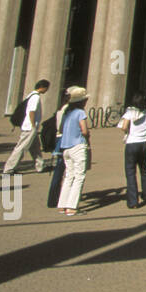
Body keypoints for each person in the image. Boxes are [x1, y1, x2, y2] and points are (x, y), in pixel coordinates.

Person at [56, 86, 92, 217]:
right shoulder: (80, 113)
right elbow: (84, 130)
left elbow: (61, 128)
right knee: (79, 176)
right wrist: (87, 137)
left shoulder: (67, 112)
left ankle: (62, 204)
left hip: (66, 147)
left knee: (69, 176)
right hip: (78, 146)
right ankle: (72, 207)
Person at [118, 92, 146, 208]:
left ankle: (133, 201)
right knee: (145, 170)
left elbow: (124, 127)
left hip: (132, 143)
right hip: (144, 143)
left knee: (130, 172)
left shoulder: (130, 112)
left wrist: (128, 130)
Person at [3, 80, 51, 174]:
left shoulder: (30, 95)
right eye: (47, 88)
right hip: (30, 127)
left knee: (35, 148)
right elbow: (31, 111)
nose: (47, 90)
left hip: (30, 127)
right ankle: (9, 169)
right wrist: (33, 125)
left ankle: (40, 166)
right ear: (43, 87)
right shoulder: (35, 97)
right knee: (21, 148)